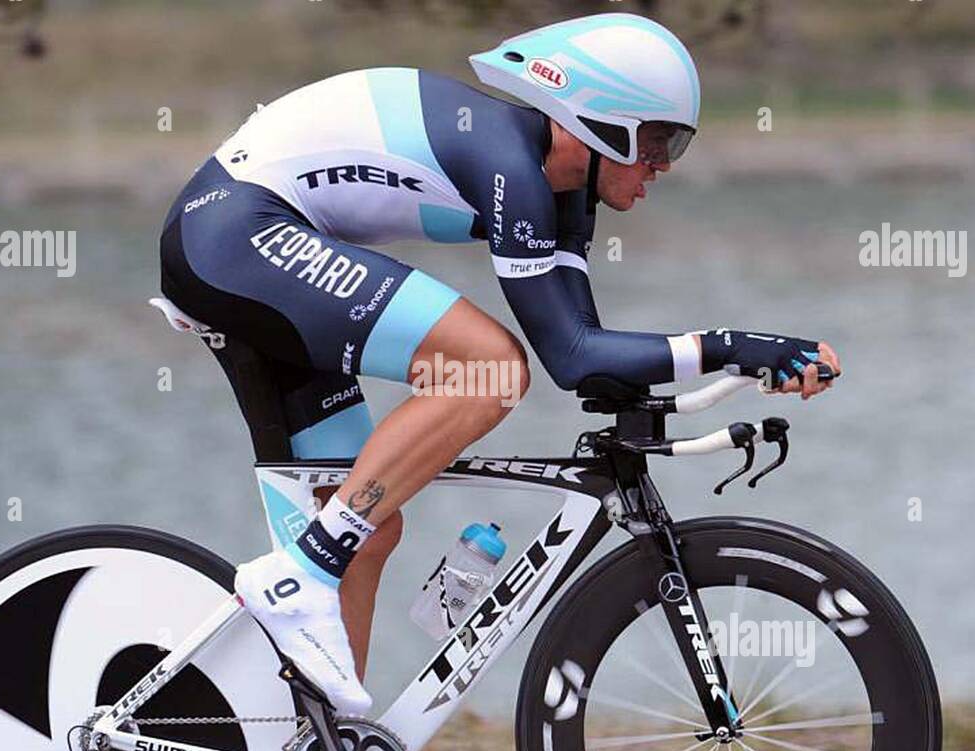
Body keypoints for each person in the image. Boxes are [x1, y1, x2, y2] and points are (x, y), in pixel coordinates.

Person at [157, 13, 839, 714]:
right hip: (233, 235)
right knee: (489, 368)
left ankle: (316, 741)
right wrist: (730, 344)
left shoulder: (566, 194)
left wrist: (746, 367)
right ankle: (299, 571)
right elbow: (563, 357)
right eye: (658, 141)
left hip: (259, 248)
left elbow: (584, 360)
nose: (663, 165)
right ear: (601, 124)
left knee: (367, 525)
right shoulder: (513, 165)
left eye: (678, 145)